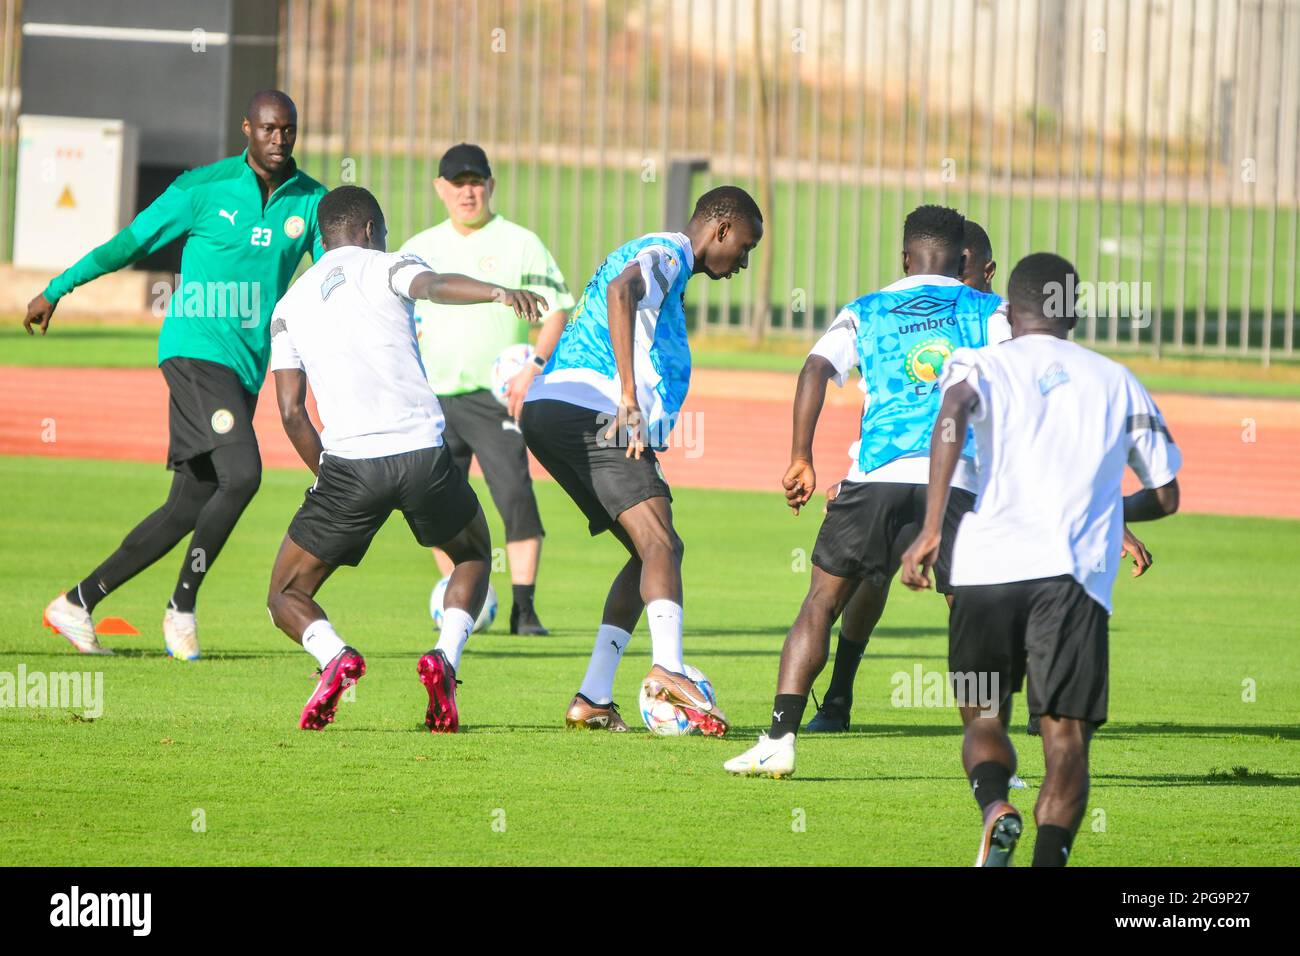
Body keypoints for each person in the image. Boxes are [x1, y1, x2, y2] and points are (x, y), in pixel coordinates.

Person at [898, 252, 1181, 866]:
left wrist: (929, 528)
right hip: (1072, 580)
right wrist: (1109, 510)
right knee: (1066, 739)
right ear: (1072, 311)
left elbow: (951, 417)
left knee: (982, 716)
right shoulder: (1116, 380)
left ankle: (996, 805)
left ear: (1008, 308)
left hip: (982, 574)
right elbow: (1166, 495)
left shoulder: (979, 364)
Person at [31, 90, 326, 661]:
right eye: (268, 129)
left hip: (243, 368)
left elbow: (333, 273)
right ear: (247, 129)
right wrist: (56, 289)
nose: (279, 140)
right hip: (193, 352)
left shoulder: (311, 200)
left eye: (288, 130)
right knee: (242, 474)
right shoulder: (202, 187)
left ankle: (77, 602)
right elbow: (129, 243)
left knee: (189, 504)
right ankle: (182, 608)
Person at [724, 205, 1007, 777]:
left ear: (905, 258)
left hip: (873, 477)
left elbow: (812, 370)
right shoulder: (990, 310)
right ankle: (992, 761)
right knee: (969, 616)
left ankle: (779, 737)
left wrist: (801, 457)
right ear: (963, 261)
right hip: (956, 481)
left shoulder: (865, 310)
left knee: (820, 603)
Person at [263, 185, 545, 732]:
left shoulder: (288, 306)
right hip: (422, 456)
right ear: (370, 229)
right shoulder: (388, 266)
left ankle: (335, 657)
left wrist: (331, 478)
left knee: (286, 594)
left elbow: (292, 411)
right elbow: (435, 286)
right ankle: (444, 658)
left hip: (349, 467)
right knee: (474, 556)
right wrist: (497, 293)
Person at [520, 185, 763, 733]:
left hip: (555, 410)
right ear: (720, 230)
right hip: (595, 410)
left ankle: (593, 696)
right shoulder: (668, 252)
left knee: (645, 552)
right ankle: (669, 668)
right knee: (662, 544)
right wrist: (628, 397)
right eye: (745, 247)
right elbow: (621, 291)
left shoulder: (669, 272)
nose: (743, 263)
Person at [805, 217, 1004, 733]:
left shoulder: (880, 310)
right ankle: (838, 699)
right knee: (877, 583)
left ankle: (791, 726)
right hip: (918, 476)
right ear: (963, 263)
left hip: (922, 476)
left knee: (967, 603)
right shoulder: (980, 312)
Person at [400, 144, 575, 635]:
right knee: (433, 506)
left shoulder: (520, 242)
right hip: (432, 398)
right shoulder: (419, 247)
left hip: (496, 397)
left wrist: (535, 365)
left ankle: (524, 610)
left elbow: (558, 307)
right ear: (440, 189)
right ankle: (465, 593)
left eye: (476, 181)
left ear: (491, 186)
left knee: (515, 495)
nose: (468, 191)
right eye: (457, 183)